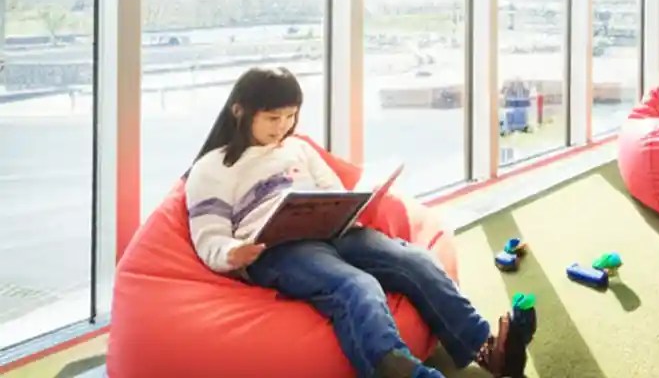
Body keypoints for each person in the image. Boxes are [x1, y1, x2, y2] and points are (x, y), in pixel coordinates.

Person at [185, 68, 534, 378]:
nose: (283, 128)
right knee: (358, 286)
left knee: (415, 261)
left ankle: (487, 348)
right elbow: (209, 234)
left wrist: (347, 210)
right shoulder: (213, 167)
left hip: (332, 232)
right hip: (276, 250)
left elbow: (330, 190)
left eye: (290, 117)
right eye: (273, 119)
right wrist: (233, 253)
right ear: (240, 111)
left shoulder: (298, 149)